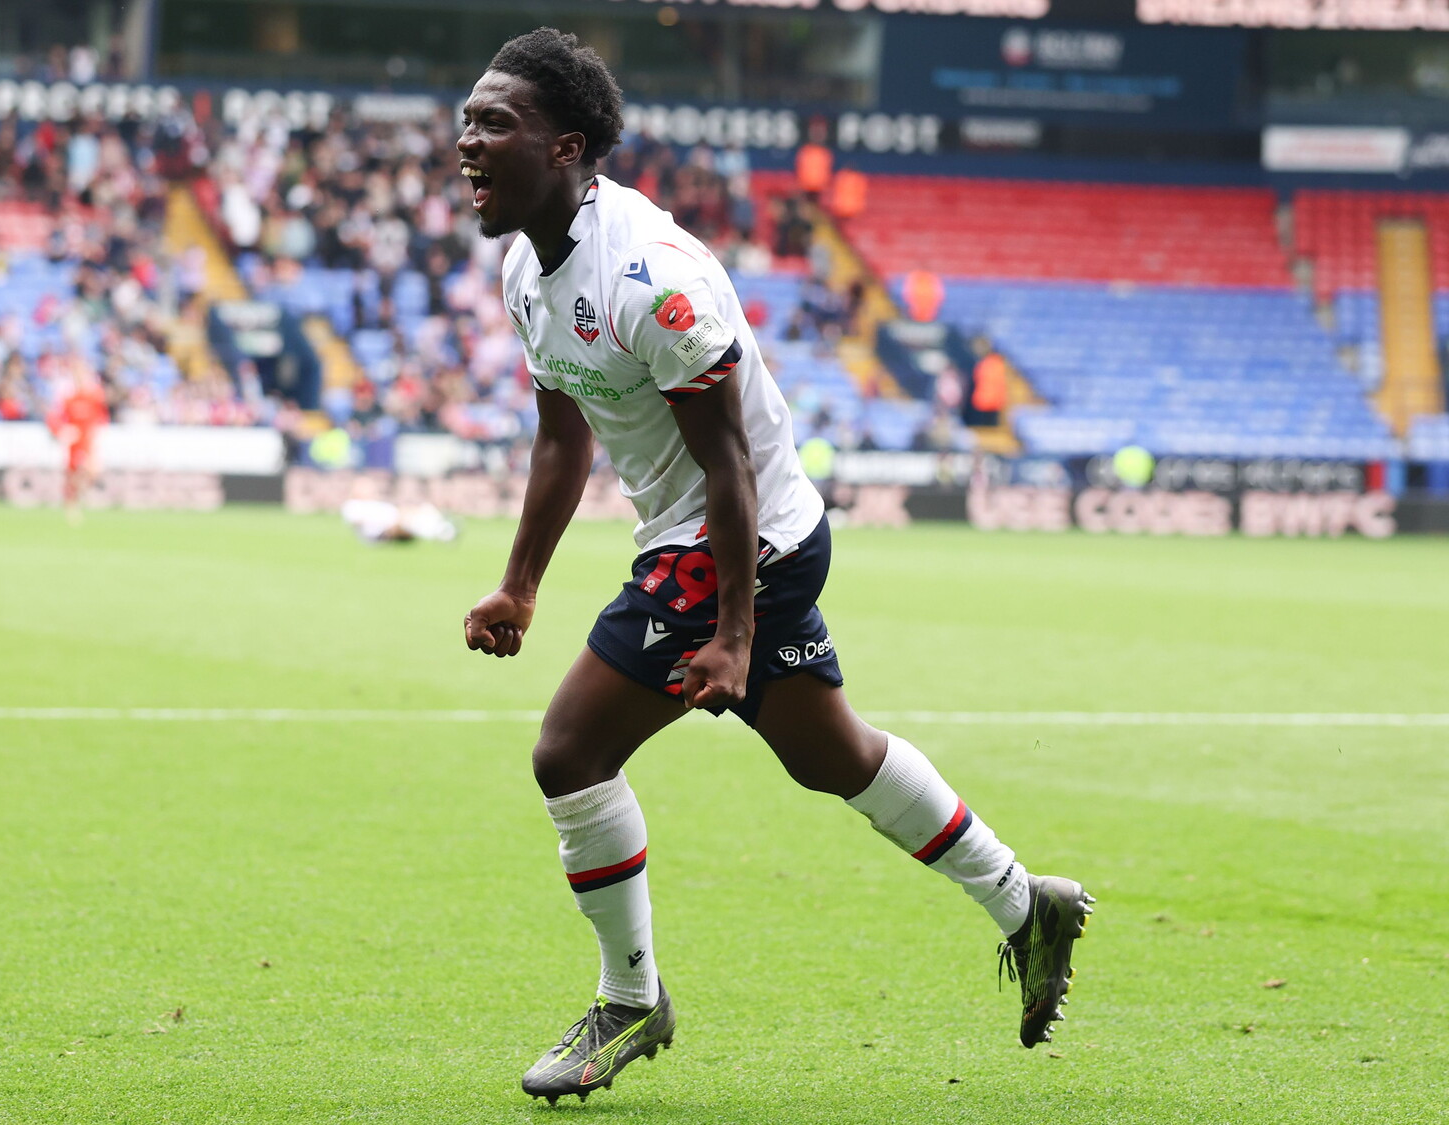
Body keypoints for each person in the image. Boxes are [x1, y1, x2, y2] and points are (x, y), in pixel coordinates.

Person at [454, 29, 1093, 1106]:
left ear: (565, 148)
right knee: (826, 755)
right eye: (466, 118)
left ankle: (628, 999)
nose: (464, 141)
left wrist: (732, 635)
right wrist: (520, 582)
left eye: (492, 123)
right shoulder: (527, 258)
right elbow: (561, 434)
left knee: (567, 754)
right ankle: (1024, 904)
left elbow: (729, 466)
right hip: (722, 536)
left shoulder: (652, 283)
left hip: (733, 540)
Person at [46, 365, 108, 525]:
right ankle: (72, 506)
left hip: (88, 442)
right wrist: (63, 431)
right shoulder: (69, 399)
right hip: (75, 443)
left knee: (91, 472)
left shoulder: (94, 397)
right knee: (73, 475)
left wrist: (96, 436)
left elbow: (102, 418)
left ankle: (79, 498)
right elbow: (55, 418)